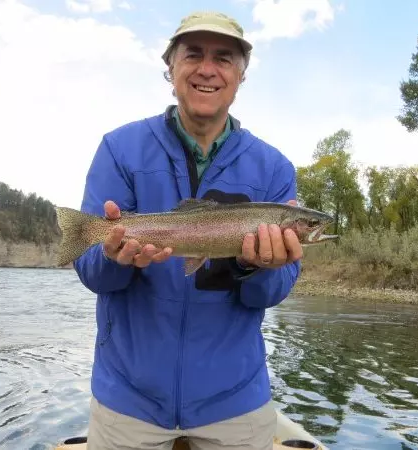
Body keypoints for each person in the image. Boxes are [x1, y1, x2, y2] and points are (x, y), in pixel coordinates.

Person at [73, 10, 303, 450]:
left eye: (224, 58)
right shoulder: (119, 148)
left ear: (240, 76)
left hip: (236, 401)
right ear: (170, 69)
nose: (207, 69)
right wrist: (111, 256)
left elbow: (271, 294)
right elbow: (91, 273)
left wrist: (260, 268)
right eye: (193, 54)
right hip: (128, 400)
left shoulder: (274, 168)